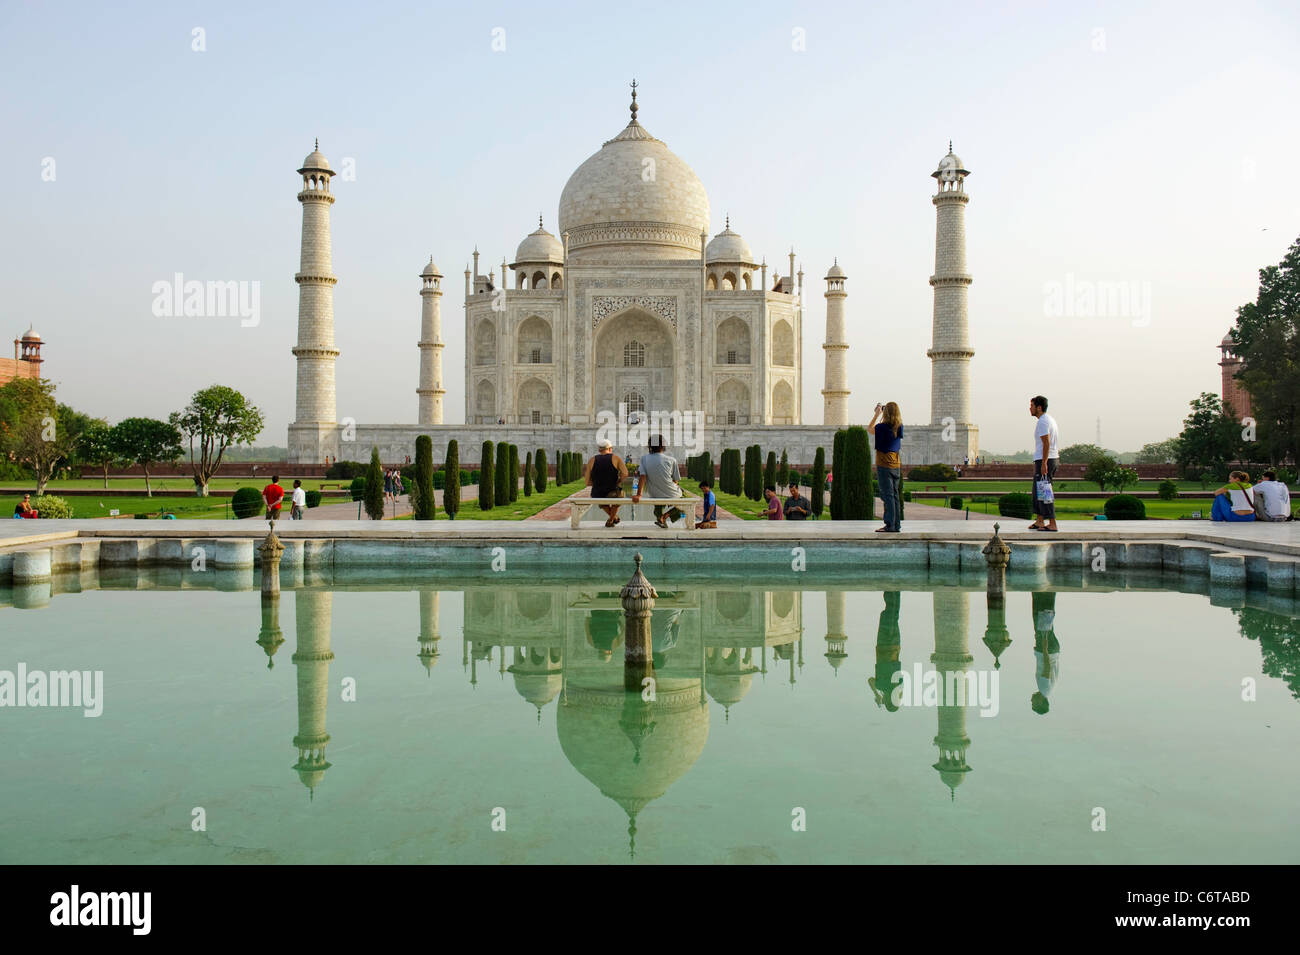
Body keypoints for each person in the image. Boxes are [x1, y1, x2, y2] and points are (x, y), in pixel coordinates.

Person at [868, 401, 904, 532]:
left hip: (884, 464)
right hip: (896, 464)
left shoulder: (881, 427)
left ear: (886, 412)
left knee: (887, 496)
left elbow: (869, 429)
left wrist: (877, 414)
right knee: (894, 496)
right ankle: (896, 525)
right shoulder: (899, 426)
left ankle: (890, 525)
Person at [634, 435, 684, 528]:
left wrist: (639, 494)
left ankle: (660, 517)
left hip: (654, 494)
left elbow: (643, 477)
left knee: (659, 505)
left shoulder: (644, 459)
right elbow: (676, 480)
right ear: (663, 446)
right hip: (671, 492)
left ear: (650, 446)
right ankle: (665, 516)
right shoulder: (672, 460)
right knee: (684, 501)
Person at [1029, 395, 1059, 532]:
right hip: (1047, 458)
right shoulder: (1048, 419)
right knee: (1038, 491)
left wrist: (1044, 463)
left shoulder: (1043, 422)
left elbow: (1046, 443)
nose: (1030, 408)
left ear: (1039, 407)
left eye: (1032, 406)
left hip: (1046, 459)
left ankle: (1052, 523)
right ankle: (1040, 521)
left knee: (1045, 492)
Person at [583, 437, 628, 527]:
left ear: (599, 450)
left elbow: (587, 482)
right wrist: (618, 481)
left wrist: (596, 483)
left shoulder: (592, 460)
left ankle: (612, 518)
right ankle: (612, 518)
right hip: (612, 491)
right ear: (610, 449)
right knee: (620, 495)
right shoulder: (616, 458)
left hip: (597, 493)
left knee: (601, 499)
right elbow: (625, 473)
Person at [1030, 591, 1060, 716]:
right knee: (1041, 616)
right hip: (1046, 649)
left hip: (1051, 650)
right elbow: (1046, 667)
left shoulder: (1047, 690)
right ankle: (1043, 593)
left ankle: (1048, 593)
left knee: (1044, 617)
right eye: (1034, 703)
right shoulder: (1044, 689)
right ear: (1041, 703)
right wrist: (1044, 643)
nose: (1031, 700)